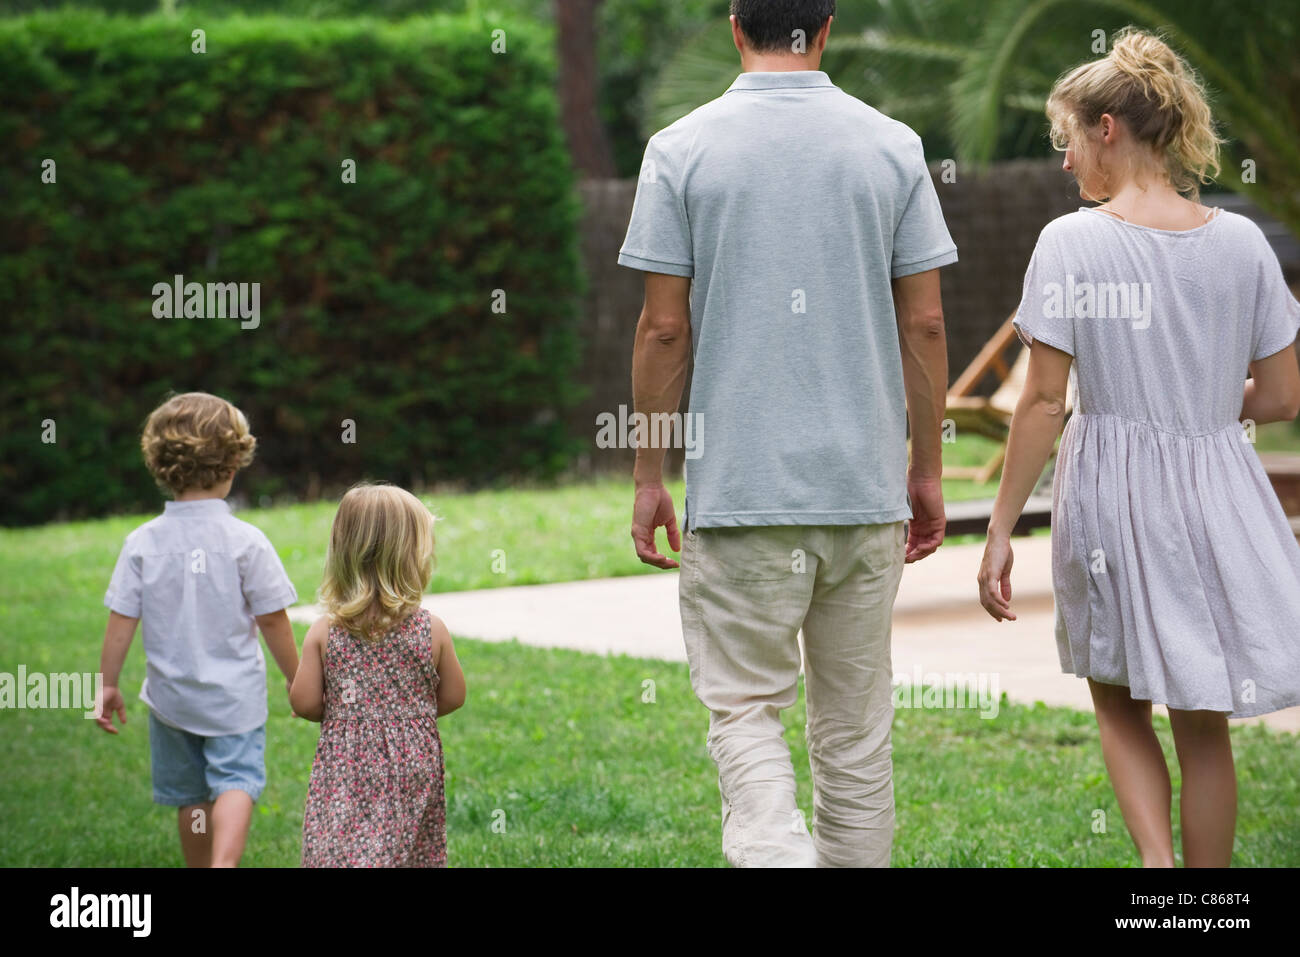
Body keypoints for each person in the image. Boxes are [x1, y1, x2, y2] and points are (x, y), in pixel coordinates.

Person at [620, 0, 956, 867]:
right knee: (855, 733)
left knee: (743, 709)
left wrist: (649, 477)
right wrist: (925, 469)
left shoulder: (680, 149)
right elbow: (923, 325)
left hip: (741, 494)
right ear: (828, 26)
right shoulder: (893, 146)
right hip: (863, 488)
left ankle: (776, 854)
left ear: (736, 26)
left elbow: (663, 330)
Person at [978, 28, 1300, 867]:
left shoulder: (1072, 242)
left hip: (1111, 497)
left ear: (1107, 129)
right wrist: (1200, 400)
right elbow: (1283, 397)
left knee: (1119, 703)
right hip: (1218, 489)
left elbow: (1045, 398)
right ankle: (1201, 900)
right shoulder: (1241, 243)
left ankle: (1156, 876)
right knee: (1204, 719)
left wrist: (1003, 526)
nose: (1065, 163)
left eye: (1069, 141)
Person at [96, 391, 300, 867]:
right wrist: (297, 677)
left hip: (171, 700)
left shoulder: (142, 542)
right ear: (233, 462)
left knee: (191, 795)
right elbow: (272, 617)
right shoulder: (245, 541)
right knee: (235, 780)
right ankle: (223, 864)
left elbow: (121, 619)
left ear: (161, 464)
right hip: (234, 701)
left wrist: (106, 685)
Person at [293, 483, 465, 867]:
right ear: (412, 558)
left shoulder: (325, 631)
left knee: (342, 845)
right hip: (412, 759)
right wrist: (409, 716)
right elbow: (454, 694)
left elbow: (303, 702)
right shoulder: (430, 628)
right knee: (404, 846)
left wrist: (347, 716)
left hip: (347, 761)